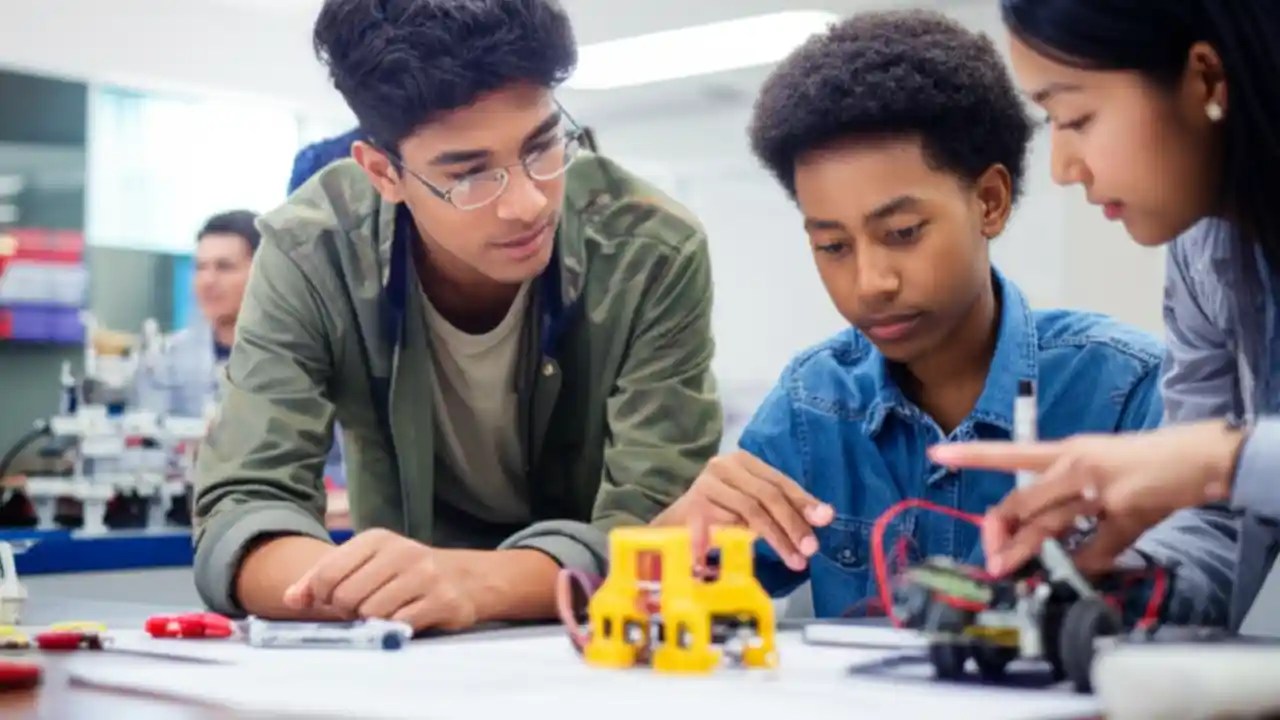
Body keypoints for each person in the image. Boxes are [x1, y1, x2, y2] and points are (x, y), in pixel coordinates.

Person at [192, 0, 721, 630]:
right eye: (470, 175)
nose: (527, 204)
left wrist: (476, 584)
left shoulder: (652, 249)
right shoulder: (314, 250)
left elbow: (657, 526)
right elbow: (243, 506)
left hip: (596, 633)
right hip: (411, 637)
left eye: (543, 146)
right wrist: (367, 588)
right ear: (384, 173)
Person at [652, 9, 1165, 618]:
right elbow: (669, 610)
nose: (871, 284)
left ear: (990, 202)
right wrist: (674, 538)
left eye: (902, 232)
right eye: (832, 246)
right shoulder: (811, 405)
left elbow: (1189, 611)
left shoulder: (1125, 391)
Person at [930, 0, 1280, 632]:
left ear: (1205, 78)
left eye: (1077, 118)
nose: (1064, 169)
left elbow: (1214, 467)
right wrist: (1112, 581)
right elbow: (1217, 516)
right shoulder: (1201, 252)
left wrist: (1220, 461)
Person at [135, 210, 260, 418]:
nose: (208, 281)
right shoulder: (165, 359)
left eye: (224, 267)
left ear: (262, 274)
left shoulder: (294, 361)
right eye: (200, 267)